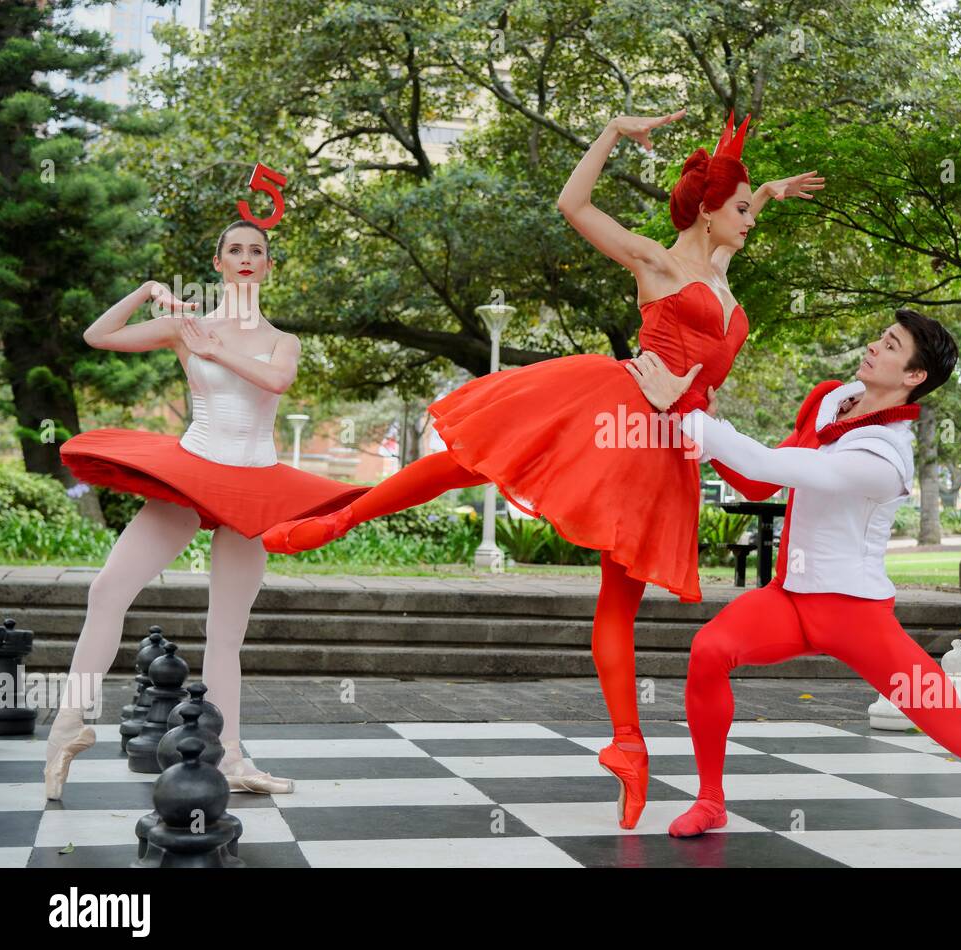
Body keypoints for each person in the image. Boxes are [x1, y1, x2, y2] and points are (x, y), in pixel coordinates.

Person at [259, 110, 824, 829]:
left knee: (618, 604)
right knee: (473, 459)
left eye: (751, 209)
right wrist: (615, 131)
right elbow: (572, 205)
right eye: (741, 210)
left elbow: (741, 220)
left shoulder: (718, 267)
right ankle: (343, 514)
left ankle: (627, 744)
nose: (751, 221)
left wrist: (767, 188)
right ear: (709, 212)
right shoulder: (655, 260)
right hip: (620, 405)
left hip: (672, 437)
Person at [626, 307, 961, 839]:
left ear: (914, 377)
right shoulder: (836, 401)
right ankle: (711, 800)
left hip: (856, 617)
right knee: (709, 650)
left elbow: (772, 468)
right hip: (790, 600)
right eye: (881, 337)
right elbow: (766, 469)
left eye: (891, 346)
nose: (875, 346)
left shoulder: (885, 457)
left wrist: (684, 408)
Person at [45, 220, 366, 799]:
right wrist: (149, 291)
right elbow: (98, 335)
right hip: (193, 470)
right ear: (218, 263)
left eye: (257, 251)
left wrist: (218, 350)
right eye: (235, 250)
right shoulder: (184, 327)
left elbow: (280, 379)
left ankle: (232, 758)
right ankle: (69, 723)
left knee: (226, 633)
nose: (246, 257)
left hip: (252, 485)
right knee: (106, 590)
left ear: (268, 267)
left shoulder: (281, 340)